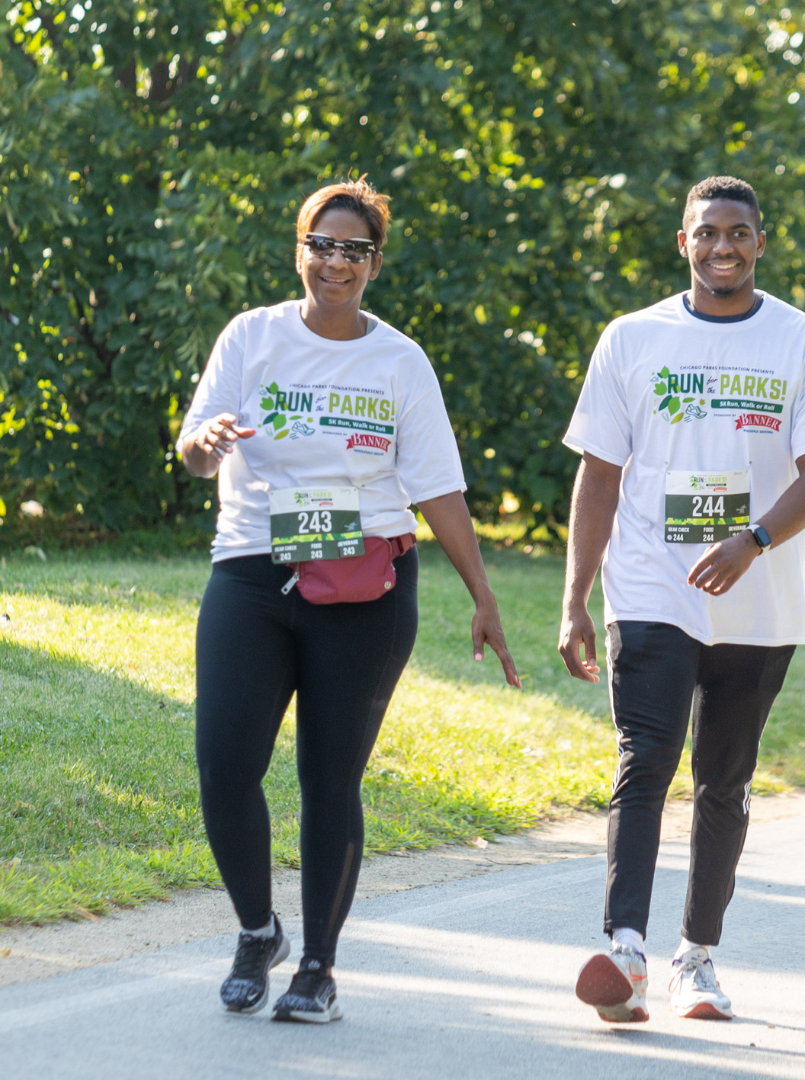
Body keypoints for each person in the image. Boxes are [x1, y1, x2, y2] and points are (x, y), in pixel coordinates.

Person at [179, 177, 520, 1024]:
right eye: (322, 245)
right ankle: (258, 931)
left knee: (330, 779)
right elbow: (193, 447)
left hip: (366, 586)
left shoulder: (399, 361)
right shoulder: (251, 337)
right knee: (225, 767)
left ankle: (318, 970)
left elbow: (438, 489)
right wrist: (206, 440)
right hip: (254, 574)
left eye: (355, 250)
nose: (336, 262)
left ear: (375, 262)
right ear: (300, 250)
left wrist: (482, 594)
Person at [558, 175, 805, 1023]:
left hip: (757, 592)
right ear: (682, 242)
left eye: (738, 233)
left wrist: (754, 542)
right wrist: (575, 597)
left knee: (723, 779)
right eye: (706, 233)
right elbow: (599, 471)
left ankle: (697, 958)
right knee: (644, 757)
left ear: (760, 243)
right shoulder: (632, 339)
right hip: (652, 582)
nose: (721, 246)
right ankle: (625, 952)